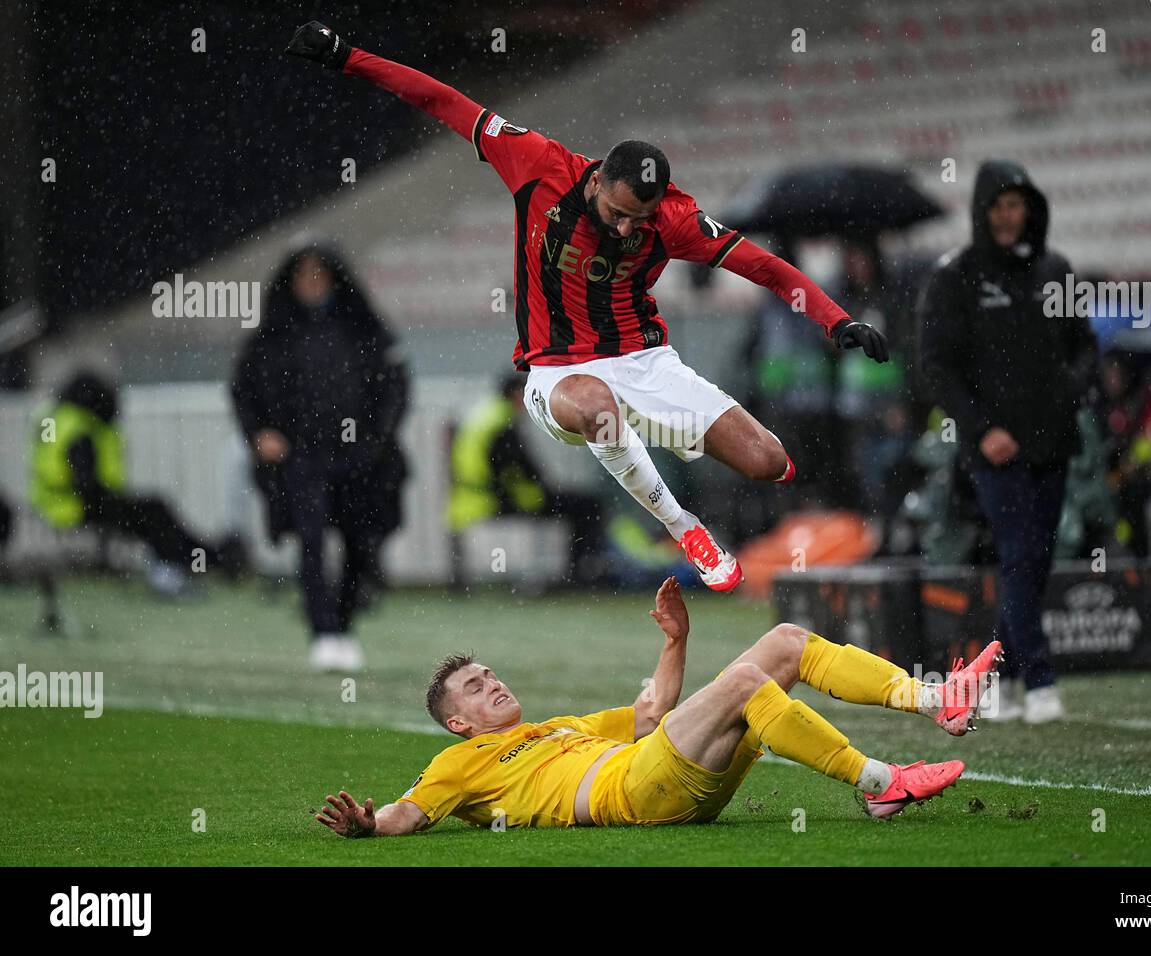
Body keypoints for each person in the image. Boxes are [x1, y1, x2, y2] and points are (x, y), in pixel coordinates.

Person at [284, 21, 889, 594]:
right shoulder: (539, 165)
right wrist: (347, 57)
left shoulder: (674, 219)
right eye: (619, 212)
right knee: (599, 407)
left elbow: (760, 265)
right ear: (597, 180)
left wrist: (838, 321)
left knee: (767, 461)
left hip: (646, 364)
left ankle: (664, 430)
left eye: (640, 218)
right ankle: (687, 531)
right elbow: (442, 100)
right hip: (558, 374)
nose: (629, 228)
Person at [314, 576, 1002, 835]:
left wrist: (676, 641)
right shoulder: (459, 763)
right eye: (474, 686)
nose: (492, 682)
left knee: (786, 642)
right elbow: (407, 814)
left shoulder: (560, 727)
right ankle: (880, 785)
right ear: (459, 722)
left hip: (659, 770)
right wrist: (366, 827)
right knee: (747, 687)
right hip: (634, 796)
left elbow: (652, 712)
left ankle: (936, 699)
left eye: (489, 672)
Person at [918, 160, 1097, 725]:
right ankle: (1039, 681)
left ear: (1031, 209)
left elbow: (1085, 346)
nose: (1006, 216)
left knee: (1033, 563)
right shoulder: (956, 277)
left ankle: (995, 679)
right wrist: (981, 429)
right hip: (993, 450)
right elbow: (935, 367)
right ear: (980, 211)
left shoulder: (1056, 270)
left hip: (1053, 442)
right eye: (997, 205)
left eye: (1016, 205)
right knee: (1020, 555)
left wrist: (1070, 389)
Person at [232, 243, 410, 672]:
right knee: (311, 541)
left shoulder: (365, 330)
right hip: (301, 457)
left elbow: (395, 389)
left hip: (359, 458)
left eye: (320, 275)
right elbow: (244, 391)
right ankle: (323, 629)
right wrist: (260, 435)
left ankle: (344, 623)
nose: (312, 284)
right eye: (304, 276)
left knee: (359, 542)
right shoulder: (271, 336)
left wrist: (377, 439)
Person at [29, 370, 243, 585]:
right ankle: (205, 560)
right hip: (76, 508)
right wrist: (114, 501)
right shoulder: (80, 430)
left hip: (53, 505)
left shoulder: (56, 419)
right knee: (154, 514)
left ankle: (202, 557)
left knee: (151, 513)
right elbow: (86, 484)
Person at [447, 373, 608, 586]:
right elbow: (517, 471)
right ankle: (580, 574)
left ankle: (577, 572)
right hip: (493, 500)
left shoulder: (486, 415)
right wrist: (545, 489)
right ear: (516, 395)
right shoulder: (502, 425)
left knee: (577, 503)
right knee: (588, 506)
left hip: (467, 502)